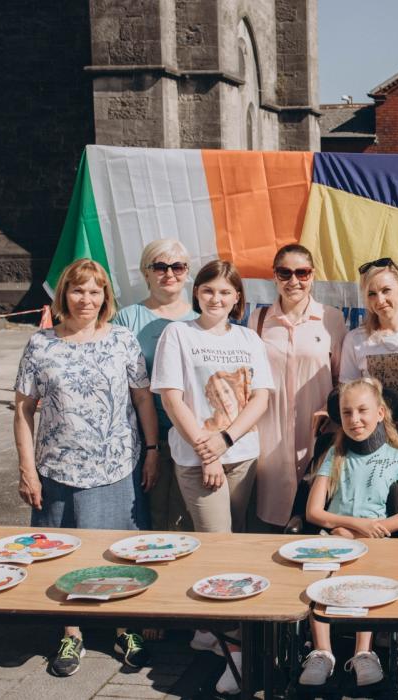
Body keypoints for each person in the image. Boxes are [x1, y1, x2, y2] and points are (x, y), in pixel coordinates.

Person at [14, 258, 158, 677]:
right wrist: (26, 467)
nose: (86, 299)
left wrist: (152, 450)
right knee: (61, 551)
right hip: (57, 467)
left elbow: (143, 398)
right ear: (64, 295)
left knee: (118, 549)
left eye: (95, 291)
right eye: (78, 290)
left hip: (116, 466)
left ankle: (123, 626)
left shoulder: (123, 340)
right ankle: (70, 632)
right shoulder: (40, 345)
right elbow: (23, 409)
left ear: (105, 297)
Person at [151, 259, 273, 695]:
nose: (216, 299)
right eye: (208, 291)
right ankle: (236, 654)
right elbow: (172, 398)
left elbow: (259, 398)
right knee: (222, 550)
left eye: (225, 292)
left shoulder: (248, 338)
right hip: (196, 459)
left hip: (242, 455)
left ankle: (209, 629)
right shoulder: (179, 334)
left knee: (235, 540)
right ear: (196, 293)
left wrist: (227, 439)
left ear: (237, 297)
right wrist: (207, 451)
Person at [300, 378, 398, 689]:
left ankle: (363, 652)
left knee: (365, 563)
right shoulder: (334, 454)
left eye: (363, 411)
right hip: (337, 536)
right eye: (347, 413)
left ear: (381, 413)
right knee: (324, 565)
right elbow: (313, 512)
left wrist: (368, 529)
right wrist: (351, 525)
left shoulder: (397, 457)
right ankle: (322, 652)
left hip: (375, 541)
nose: (355, 420)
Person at [252, 244, 347, 531]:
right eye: (285, 273)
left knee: (314, 518)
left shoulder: (332, 318)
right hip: (270, 436)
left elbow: (341, 379)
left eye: (302, 273)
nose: (294, 281)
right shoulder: (257, 320)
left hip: (316, 434)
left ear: (313, 276)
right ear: (274, 277)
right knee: (268, 521)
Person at [114, 240, 198, 533]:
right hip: (149, 437)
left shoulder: (200, 318)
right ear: (146, 273)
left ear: (187, 272)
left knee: (190, 518)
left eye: (177, 266)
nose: (169, 274)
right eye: (160, 267)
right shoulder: (127, 319)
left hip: (192, 436)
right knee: (155, 517)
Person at [339, 257, 398, 389]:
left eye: (386, 290)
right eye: (372, 294)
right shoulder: (354, 339)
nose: (380, 300)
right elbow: (347, 393)